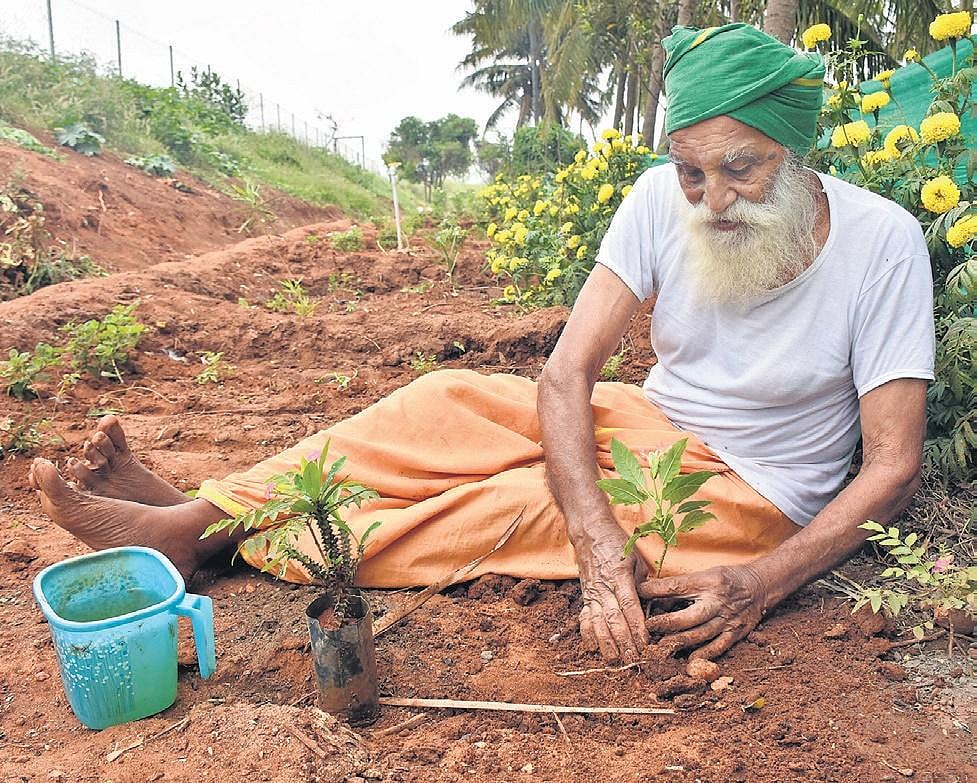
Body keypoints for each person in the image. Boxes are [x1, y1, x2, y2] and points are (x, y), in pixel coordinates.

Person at [28, 23, 934, 664]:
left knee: (498, 501)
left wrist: (766, 580)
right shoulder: (661, 200)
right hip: (651, 417)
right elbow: (568, 370)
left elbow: (891, 465)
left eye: (742, 168)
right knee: (446, 403)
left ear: (795, 150)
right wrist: (594, 534)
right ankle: (198, 518)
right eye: (691, 170)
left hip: (751, 486)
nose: (712, 198)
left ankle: (225, 540)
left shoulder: (881, 238)